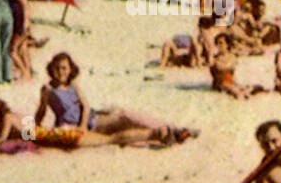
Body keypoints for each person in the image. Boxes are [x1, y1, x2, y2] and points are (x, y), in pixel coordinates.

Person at [34, 52, 193, 144]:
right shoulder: (48, 89)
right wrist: (36, 129)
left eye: (64, 68)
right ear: (51, 69)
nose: (61, 72)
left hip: (90, 121)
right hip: (75, 127)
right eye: (57, 68)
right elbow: (41, 111)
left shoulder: (73, 86)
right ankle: (164, 132)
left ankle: (171, 129)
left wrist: (83, 126)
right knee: (121, 121)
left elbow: (86, 107)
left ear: (70, 70)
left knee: (124, 118)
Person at [0, 97, 166, 150]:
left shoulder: (8, 118)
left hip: (61, 137)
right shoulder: (14, 118)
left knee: (111, 139)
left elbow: (1, 139)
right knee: (110, 139)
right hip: (58, 135)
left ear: (0, 111)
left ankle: (153, 135)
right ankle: (152, 137)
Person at [210, 33, 266, 99]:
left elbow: (227, 66)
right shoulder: (215, 57)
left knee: (238, 87)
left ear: (227, 44)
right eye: (217, 43)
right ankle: (245, 93)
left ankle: (247, 91)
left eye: (221, 43)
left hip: (230, 82)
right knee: (234, 90)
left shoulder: (231, 56)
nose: (219, 46)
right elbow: (220, 67)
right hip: (220, 84)